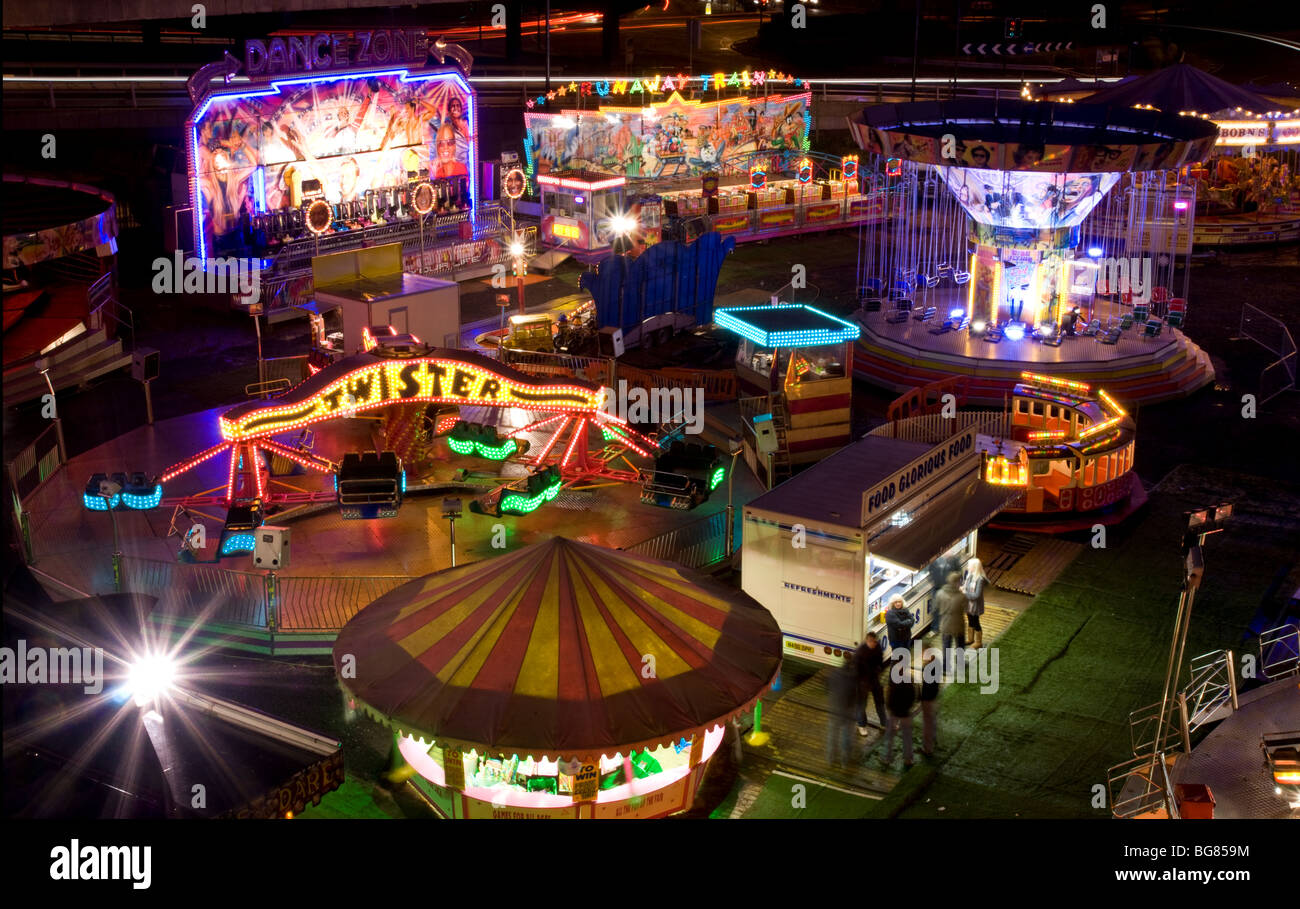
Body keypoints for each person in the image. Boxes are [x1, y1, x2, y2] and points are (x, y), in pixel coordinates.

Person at [882, 652, 916, 769]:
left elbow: (889, 695)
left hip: (895, 712)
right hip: (905, 712)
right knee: (907, 736)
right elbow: (913, 695)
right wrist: (908, 707)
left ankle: (887, 758)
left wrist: (890, 708)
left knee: (890, 736)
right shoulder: (909, 679)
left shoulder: (893, 679)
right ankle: (908, 759)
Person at [826, 654, 858, 768]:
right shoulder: (853, 678)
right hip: (847, 711)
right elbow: (855, 695)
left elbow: (828, 687)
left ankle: (830, 759)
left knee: (832, 735)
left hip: (834, 708)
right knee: (846, 737)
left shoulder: (834, 674)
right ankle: (844, 762)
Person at [855, 632, 887, 734]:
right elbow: (856, 670)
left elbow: (880, 662)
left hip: (874, 679)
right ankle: (861, 725)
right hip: (863, 681)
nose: (875, 644)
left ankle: (884, 723)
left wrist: (878, 670)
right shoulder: (860, 653)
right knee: (861, 705)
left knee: (880, 702)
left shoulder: (877, 648)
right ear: (868, 641)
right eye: (873, 642)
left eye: (875, 642)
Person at [936, 570, 967, 676]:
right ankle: (960, 663)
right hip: (958, 624)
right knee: (960, 644)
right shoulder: (961, 596)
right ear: (956, 583)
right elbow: (967, 609)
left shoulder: (940, 593)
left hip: (945, 623)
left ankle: (945, 666)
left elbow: (936, 607)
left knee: (946, 645)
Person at [963, 557, 989, 650]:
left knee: (975, 622)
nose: (968, 567)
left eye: (969, 566)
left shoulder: (980, 580)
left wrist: (965, 593)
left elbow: (976, 595)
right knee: (970, 620)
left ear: (974, 567)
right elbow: (967, 587)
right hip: (968, 605)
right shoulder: (970, 576)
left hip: (975, 606)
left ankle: (978, 642)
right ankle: (971, 639)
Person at [919, 650, 940, 756]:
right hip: (933, 698)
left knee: (928, 724)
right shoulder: (936, 663)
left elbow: (928, 686)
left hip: (928, 699)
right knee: (932, 721)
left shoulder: (929, 667)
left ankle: (928, 748)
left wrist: (922, 699)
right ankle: (933, 738)